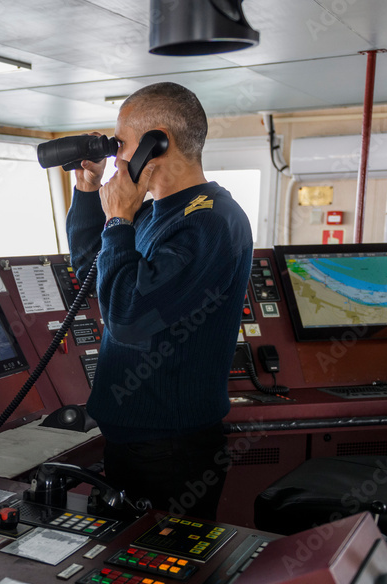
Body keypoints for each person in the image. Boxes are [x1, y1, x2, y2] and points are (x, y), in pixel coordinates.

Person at [66, 82, 253, 520]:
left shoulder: (209, 222)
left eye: (123, 143)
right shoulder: (152, 212)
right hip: (137, 438)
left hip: (170, 448)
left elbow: (128, 318)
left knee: (162, 578)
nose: (118, 156)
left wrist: (118, 218)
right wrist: (90, 193)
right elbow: (93, 275)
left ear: (157, 143)